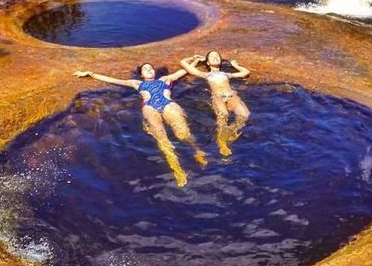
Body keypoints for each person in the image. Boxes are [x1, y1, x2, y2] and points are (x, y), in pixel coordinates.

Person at [73, 63, 206, 187]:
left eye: (150, 68)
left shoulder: (165, 79)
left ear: (154, 72)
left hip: (168, 104)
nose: (149, 70)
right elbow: (113, 80)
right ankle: (177, 168)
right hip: (150, 108)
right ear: (142, 75)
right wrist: (91, 74)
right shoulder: (136, 83)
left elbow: (183, 71)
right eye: (145, 69)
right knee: (162, 139)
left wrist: (195, 61)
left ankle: (197, 150)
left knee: (183, 133)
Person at [180, 50, 250, 157]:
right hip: (218, 97)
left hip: (231, 95)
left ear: (221, 61)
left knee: (245, 115)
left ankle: (230, 131)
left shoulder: (226, 74)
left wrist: (235, 65)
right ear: (207, 62)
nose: (215, 57)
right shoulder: (205, 74)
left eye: (217, 56)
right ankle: (222, 143)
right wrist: (195, 58)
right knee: (223, 116)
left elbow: (245, 72)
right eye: (212, 56)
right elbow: (183, 63)